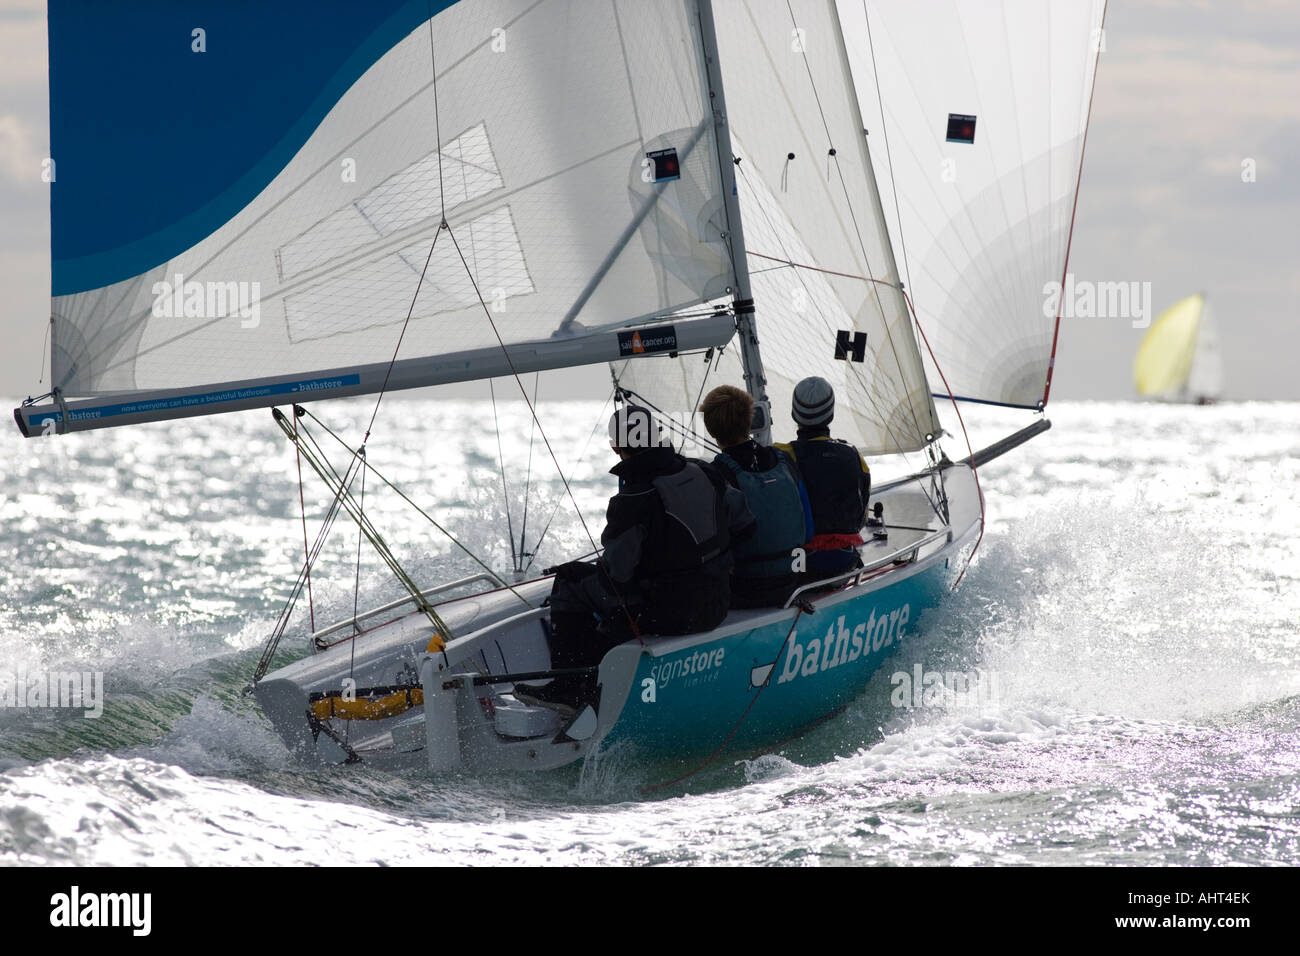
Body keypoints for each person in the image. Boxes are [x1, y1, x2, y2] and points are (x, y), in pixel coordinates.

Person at [516, 405, 753, 710]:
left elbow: (616, 577)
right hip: (719, 604)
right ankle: (600, 658)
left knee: (569, 581)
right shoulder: (705, 471)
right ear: (657, 435)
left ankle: (569, 689)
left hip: (670, 617)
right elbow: (744, 524)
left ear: (615, 447)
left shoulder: (630, 501)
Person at [700, 385, 811, 608]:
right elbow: (807, 528)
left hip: (745, 588)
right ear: (750, 421)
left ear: (711, 431)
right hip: (794, 580)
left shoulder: (715, 476)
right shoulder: (785, 461)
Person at [774, 376, 870, 577]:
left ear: (794, 414)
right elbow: (861, 518)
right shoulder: (854, 455)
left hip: (800, 565)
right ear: (831, 415)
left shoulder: (780, 455)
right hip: (844, 560)